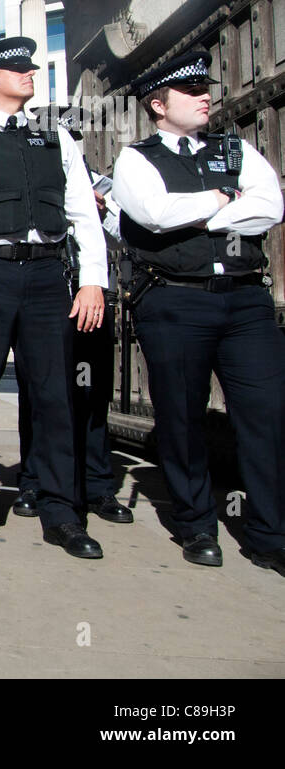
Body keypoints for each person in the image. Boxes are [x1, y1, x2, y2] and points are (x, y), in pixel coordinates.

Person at [0, 36, 108, 559]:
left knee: (56, 397)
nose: (30, 73)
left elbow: (82, 214)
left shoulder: (57, 139)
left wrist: (92, 278)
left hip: (48, 278)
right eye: (17, 69)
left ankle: (61, 512)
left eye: (31, 67)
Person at [112, 48, 285, 575]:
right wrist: (222, 201)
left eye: (204, 89)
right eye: (190, 92)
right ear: (159, 106)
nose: (204, 97)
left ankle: (270, 533)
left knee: (268, 414)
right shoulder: (137, 157)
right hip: (174, 300)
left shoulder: (234, 149)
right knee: (181, 417)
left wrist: (206, 213)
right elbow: (155, 215)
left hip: (244, 298)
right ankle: (195, 525)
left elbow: (271, 205)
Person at [13, 139, 133, 525]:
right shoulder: (30, 179)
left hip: (92, 302)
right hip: (47, 301)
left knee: (91, 396)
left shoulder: (100, 183)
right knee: (38, 394)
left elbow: (125, 236)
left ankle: (97, 484)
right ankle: (33, 479)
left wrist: (102, 213)